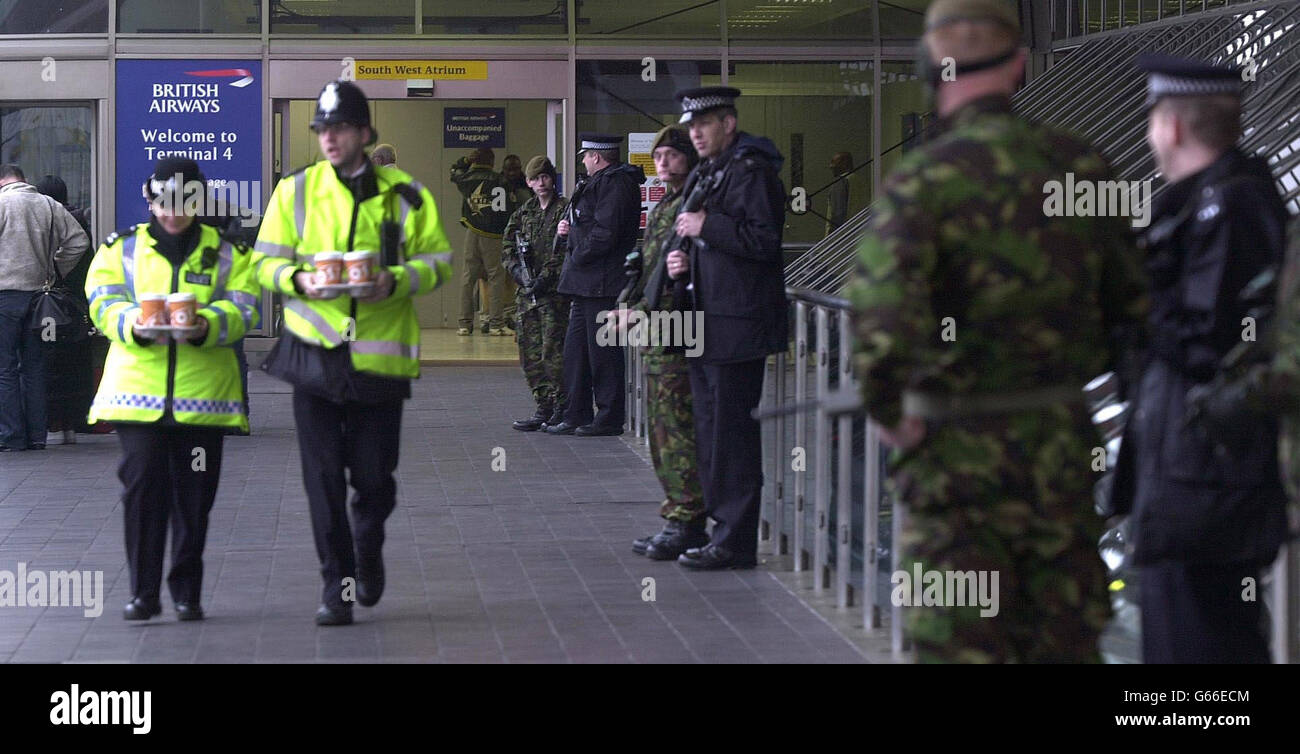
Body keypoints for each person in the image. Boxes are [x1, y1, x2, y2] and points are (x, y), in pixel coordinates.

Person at [846, 0, 1146, 662]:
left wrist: (890, 409)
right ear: (1017, 66)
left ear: (932, 69)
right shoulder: (1084, 166)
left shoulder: (922, 182)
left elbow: (882, 322)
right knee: (1063, 640)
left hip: (953, 467)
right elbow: (1133, 307)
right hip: (1059, 455)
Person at [1108, 54, 1290, 664]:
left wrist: (1128, 298)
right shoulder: (1198, 206)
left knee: (1204, 656)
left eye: (1152, 118)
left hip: (1207, 484)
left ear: (1173, 127)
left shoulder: (1232, 206)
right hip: (1186, 477)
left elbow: (1208, 341)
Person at [251, 80, 453, 626]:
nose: (329, 139)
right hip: (313, 358)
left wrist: (394, 280)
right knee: (322, 482)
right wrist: (297, 279)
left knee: (373, 479)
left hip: (377, 362)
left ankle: (368, 550)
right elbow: (262, 264)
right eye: (322, 130)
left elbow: (438, 262)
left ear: (364, 133)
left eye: (339, 129)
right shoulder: (294, 192)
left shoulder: (406, 194)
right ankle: (335, 587)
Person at [85, 157, 260, 621]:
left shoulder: (228, 252)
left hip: (204, 397)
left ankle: (187, 590)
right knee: (143, 488)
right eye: (164, 201)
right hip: (136, 397)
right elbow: (101, 301)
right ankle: (143, 592)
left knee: (194, 495)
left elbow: (246, 308)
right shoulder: (120, 249)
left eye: (183, 202)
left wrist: (207, 324)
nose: (172, 211)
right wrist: (133, 324)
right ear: (150, 198)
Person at [664, 87, 788, 570]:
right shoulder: (712, 172)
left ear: (729, 124)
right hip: (707, 323)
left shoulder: (751, 172)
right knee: (712, 430)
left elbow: (762, 241)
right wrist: (684, 262)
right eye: (691, 125)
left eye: (705, 123)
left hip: (737, 326)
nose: (695, 132)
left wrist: (705, 228)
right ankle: (720, 531)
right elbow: (707, 239)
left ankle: (735, 541)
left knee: (733, 435)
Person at [619, 126, 708, 561]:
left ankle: (687, 518)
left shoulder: (696, 203)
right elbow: (648, 267)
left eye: (672, 155)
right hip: (656, 330)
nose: (663, 163)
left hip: (680, 329)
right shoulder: (663, 207)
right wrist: (629, 306)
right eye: (659, 156)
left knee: (675, 429)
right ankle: (677, 512)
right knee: (660, 426)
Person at [545, 134, 643, 436]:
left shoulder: (616, 183)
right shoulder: (597, 183)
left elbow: (606, 232)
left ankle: (609, 417)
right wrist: (569, 232)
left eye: (585, 156)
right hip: (585, 281)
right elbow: (590, 225)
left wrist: (577, 249)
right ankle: (576, 413)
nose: (583, 161)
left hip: (601, 280)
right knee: (576, 352)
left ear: (597, 157)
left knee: (603, 353)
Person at [0, 164, 89, 452]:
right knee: (35, 367)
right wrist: (55, 269)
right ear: (23, 180)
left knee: (5, 369)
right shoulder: (49, 205)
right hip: (41, 299)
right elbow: (79, 242)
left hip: (4, 298)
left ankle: (12, 436)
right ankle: (38, 435)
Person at [502, 156, 570, 432]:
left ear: (553, 179)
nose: (540, 183)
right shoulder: (523, 213)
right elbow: (507, 248)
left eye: (545, 177)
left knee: (553, 353)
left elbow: (565, 251)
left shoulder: (564, 210)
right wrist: (518, 272)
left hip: (554, 295)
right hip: (528, 296)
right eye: (534, 179)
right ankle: (543, 406)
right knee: (530, 355)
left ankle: (562, 406)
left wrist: (544, 278)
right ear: (528, 183)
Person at [34, 175, 95, 446]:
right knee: (74, 363)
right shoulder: (78, 220)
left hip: (51, 303)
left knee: (49, 361)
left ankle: (54, 421)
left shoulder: (49, 220)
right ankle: (73, 421)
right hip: (77, 304)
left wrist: (54, 272)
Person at [451, 147, 514, 336]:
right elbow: (509, 209)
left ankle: (464, 323)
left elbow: (453, 171)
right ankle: (496, 324)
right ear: (492, 162)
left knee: (468, 277)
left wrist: (464, 160)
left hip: (472, 231)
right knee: (496, 278)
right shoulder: (501, 180)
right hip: (494, 235)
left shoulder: (466, 180)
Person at [500, 154, 532, 326]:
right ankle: (499, 314)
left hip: (523, 235)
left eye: (516, 169)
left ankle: (513, 313)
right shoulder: (498, 184)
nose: (512, 173)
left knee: (518, 276)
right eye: (509, 169)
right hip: (500, 235)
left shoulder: (525, 187)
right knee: (498, 277)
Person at [825, 151, 856, 235]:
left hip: (843, 236)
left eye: (834, 162)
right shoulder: (858, 181)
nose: (830, 166)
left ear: (844, 164)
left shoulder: (841, 183)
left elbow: (838, 215)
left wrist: (832, 238)